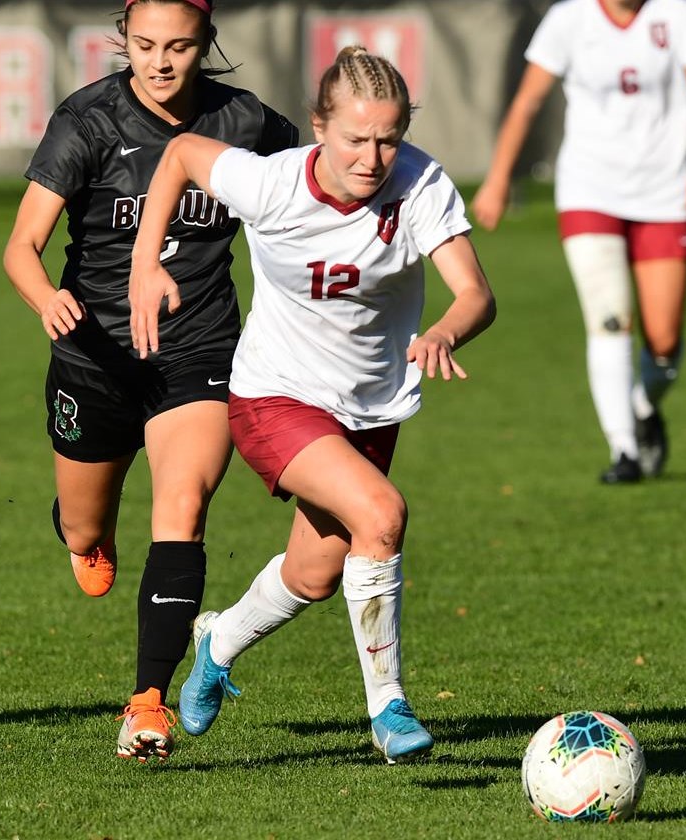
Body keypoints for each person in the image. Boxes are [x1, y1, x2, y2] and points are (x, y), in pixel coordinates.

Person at [128, 46, 496, 763]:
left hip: (370, 407)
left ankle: (219, 642)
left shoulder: (419, 183)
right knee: (382, 514)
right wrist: (148, 264)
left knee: (316, 574)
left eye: (389, 138)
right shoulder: (272, 184)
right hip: (274, 395)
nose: (373, 156)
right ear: (319, 126)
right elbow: (177, 154)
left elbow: (476, 292)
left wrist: (449, 328)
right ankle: (388, 708)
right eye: (356, 138)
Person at [2, 0, 297, 763]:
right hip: (94, 354)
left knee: (183, 505)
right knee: (86, 529)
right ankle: (80, 531)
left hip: (196, 347)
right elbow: (21, 248)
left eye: (178, 47)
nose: (160, 62)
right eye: (144, 46)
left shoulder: (246, 122)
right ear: (123, 42)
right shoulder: (88, 120)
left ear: (205, 45)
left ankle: (147, 702)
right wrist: (48, 299)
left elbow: (310, 186)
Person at [472, 0, 686, 483]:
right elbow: (527, 101)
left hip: (664, 193)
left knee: (665, 343)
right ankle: (623, 449)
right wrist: (499, 178)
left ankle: (643, 406)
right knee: (609, 320)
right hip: (590, 190)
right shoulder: (570, 18)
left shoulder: (674, 13)